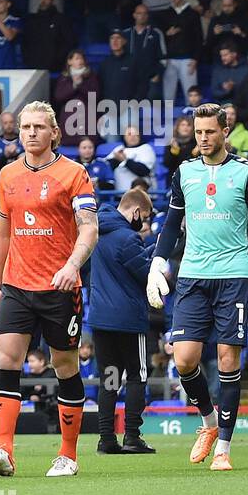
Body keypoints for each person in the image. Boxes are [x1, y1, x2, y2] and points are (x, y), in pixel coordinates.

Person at [146, 103, 248, 472]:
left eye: (210, 131)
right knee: (184, 359)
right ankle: (208, 424)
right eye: (198, 132)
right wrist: (157, 266)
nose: (203, 138)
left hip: (234, 276)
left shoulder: (246, 173)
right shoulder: (184, 172)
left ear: (225, 130)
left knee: (227, 359)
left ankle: (223, 446)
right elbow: (171, 225)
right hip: (192, 275)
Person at [0, 102, 99, 478]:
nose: (30, 132)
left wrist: (71, 265)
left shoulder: (74, 173)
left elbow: (89, 227)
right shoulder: (8, 175)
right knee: (7, 362)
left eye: (38, 127)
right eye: (25, 126)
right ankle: (4, 452)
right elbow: (3, 231)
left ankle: (68, 455)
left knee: (65, 367)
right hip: (17, 285)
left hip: (60, 289)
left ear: (54, 133)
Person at [88, 188, 156, 455]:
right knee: (137, 375)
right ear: (136, 211)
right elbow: (145, 274)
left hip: (101, 318)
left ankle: (106, 438)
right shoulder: (128, 238)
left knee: (110, 379)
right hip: (128, 319)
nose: (145, 222)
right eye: (145, 216)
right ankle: (132, 435)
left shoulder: (95, 232)